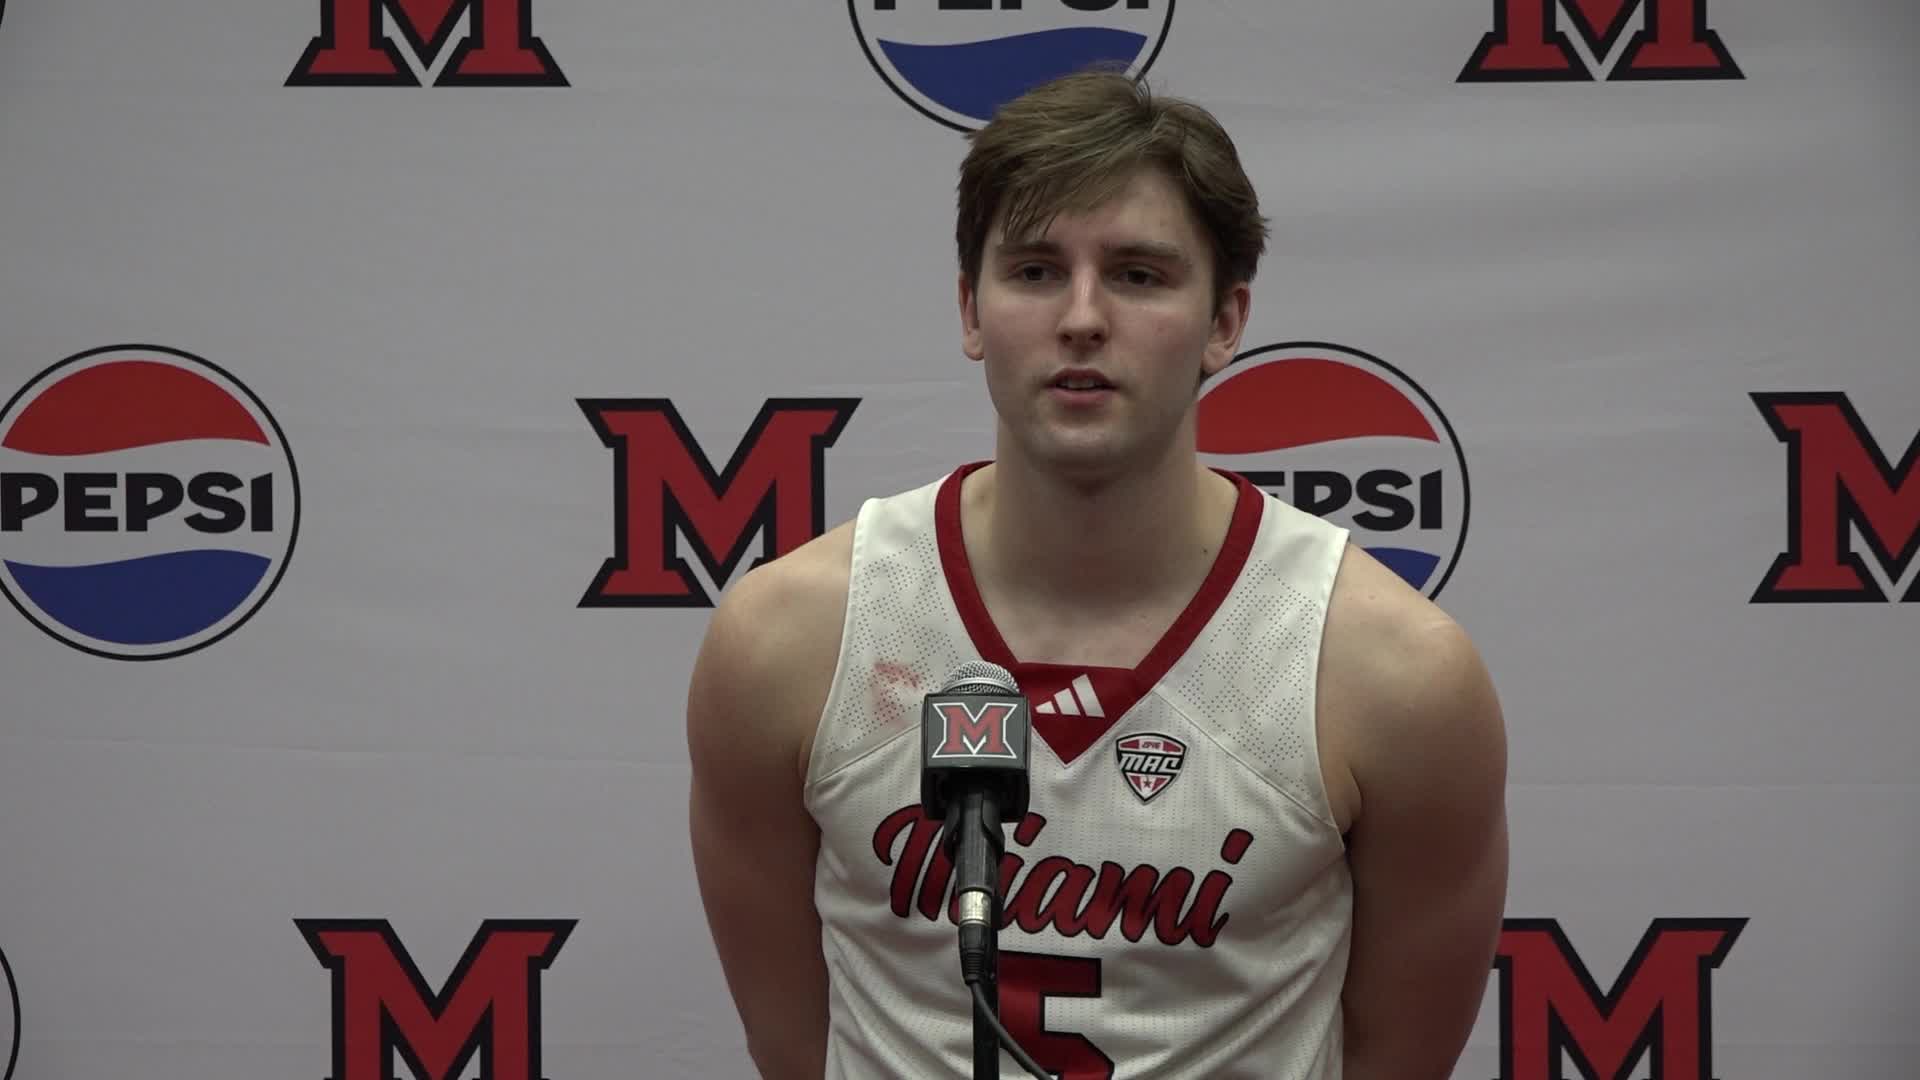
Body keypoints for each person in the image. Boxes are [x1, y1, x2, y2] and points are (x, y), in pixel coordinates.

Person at [686, 68, 1509, 1079]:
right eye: (1034, 271)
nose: (1082, 318)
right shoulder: (789, 640)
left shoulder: (1393, 676)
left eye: (1138, 275)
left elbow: (1399, 1059)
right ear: (970, 309)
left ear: (1225, 322)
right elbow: (791, 1051)